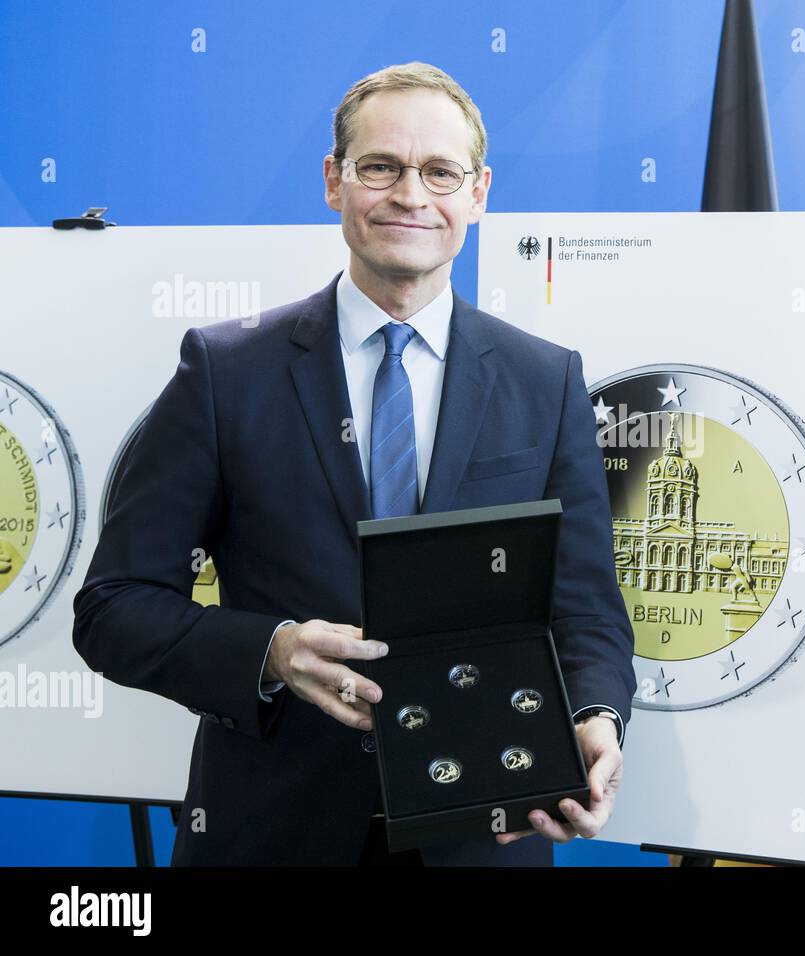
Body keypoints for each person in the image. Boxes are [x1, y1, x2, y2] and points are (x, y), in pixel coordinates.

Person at [72, 62, 636, 866]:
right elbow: (113, 608)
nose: (411, 194)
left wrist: (596, 716)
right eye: (381, 167)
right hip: (272, 832)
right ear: (335, 181)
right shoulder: (225, 372)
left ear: (478, 194)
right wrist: (272, 650)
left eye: (440, 171)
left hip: (486, 830)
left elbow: (586, 610)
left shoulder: (545, 381)